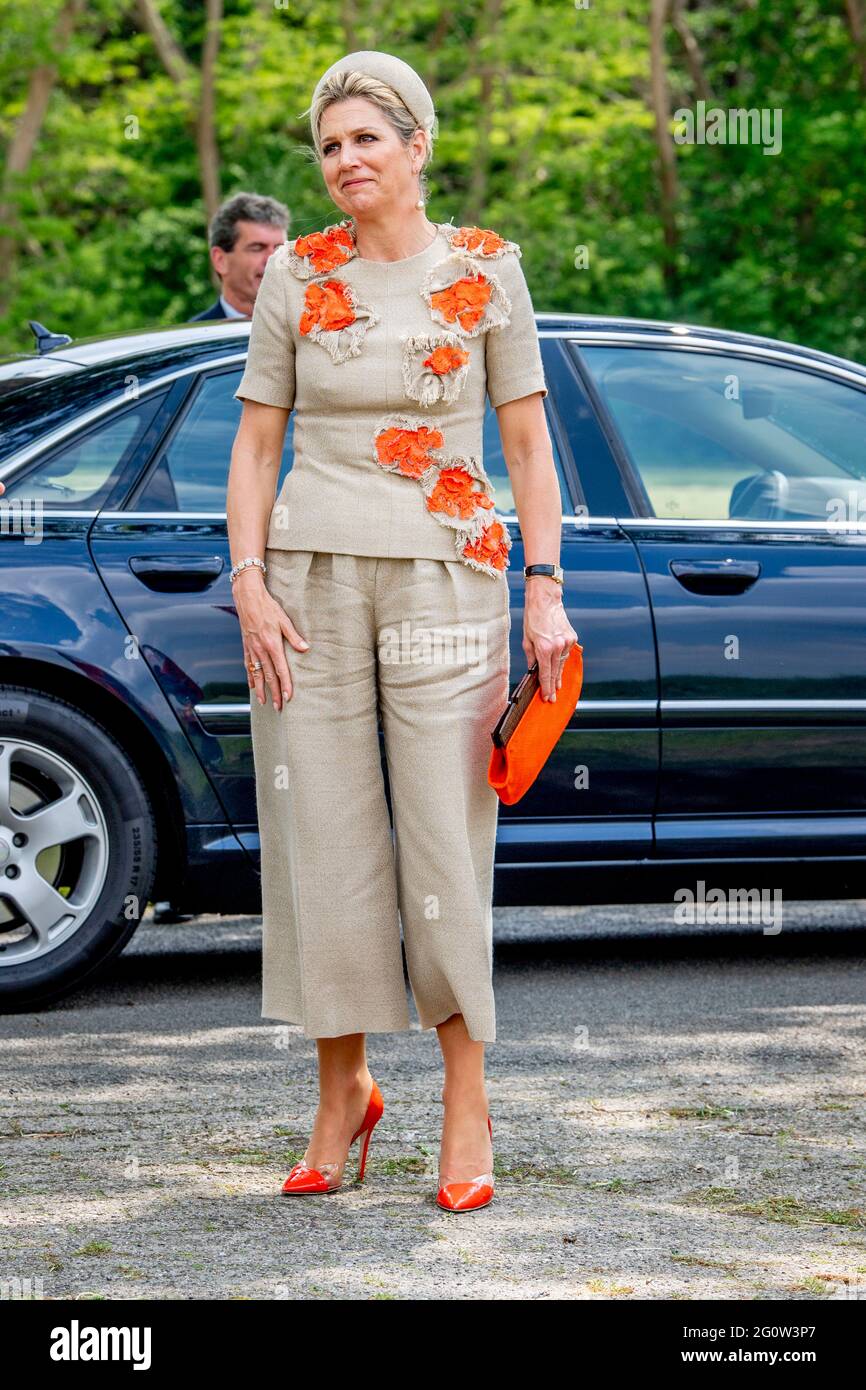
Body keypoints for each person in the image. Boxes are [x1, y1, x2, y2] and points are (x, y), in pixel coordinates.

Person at [226, 50, 578, 1212]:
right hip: (310, 582)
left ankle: (466, 1098)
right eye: (328, 147)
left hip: (451, 579)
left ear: (415, 145)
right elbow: (256, 442)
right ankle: (343, 1090)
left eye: (365, 139)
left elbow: (527, 446)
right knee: (318, 834)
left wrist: (542, 585)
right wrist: (250, 579)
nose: (344, 162)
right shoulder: (292, 273)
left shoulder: (487, 271)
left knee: (441, 839)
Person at [188, 192, 290, 321]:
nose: (273, 259)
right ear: (220, 260)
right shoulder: (195, 337)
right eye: (257, 248)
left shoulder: (311, 330)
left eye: (279, 248)